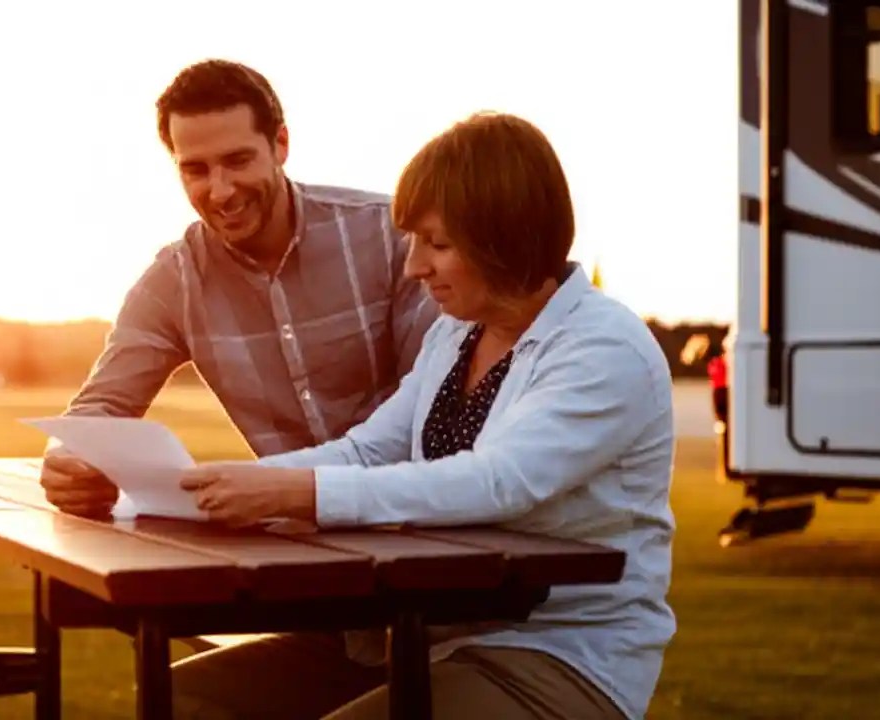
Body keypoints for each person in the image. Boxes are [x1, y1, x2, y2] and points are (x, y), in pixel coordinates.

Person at [174, 112, 676, 720]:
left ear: (505, 235)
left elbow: (497, 483)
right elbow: (367, 449)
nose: (414, 266)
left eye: (436, 244)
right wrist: (225, 486)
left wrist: (297, 492)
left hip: (554, 654)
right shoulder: (457, 334)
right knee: (189, 697)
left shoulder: (603, 350)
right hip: (415, 637)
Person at [39, 59, 438, 517]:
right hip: (290, 540)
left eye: (237, 160)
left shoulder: (386, 237)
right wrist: (66, 460)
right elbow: (100, 406)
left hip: (416, 523)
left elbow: (434, 399)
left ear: (280, 144)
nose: (221, 190)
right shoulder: (173, 281)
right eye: (196, 170)